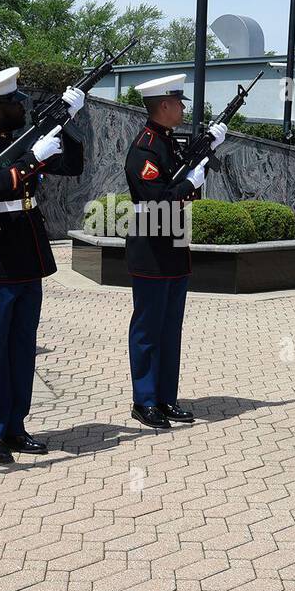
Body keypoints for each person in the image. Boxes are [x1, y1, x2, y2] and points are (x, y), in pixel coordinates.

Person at [0, 69, 86, 463]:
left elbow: (73, 165)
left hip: (28, 257)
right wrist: (34, 157)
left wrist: (66, 124)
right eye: (14, 103)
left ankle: (15, 425)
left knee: (22, 348)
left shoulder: (24, 143)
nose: (22, 107)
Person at [125, 74, 226, 429]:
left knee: (170, 329)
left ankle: (166, 398)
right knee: (148, 328)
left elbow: (179, 183)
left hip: (173, 245)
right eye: (179, 102)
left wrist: (207, 147)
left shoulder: (167, 144)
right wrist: (190, 182)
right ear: (163, 105)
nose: (183, 108)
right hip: (151, 245)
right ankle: (145, 400)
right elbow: (156, 200)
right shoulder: (144, 148)